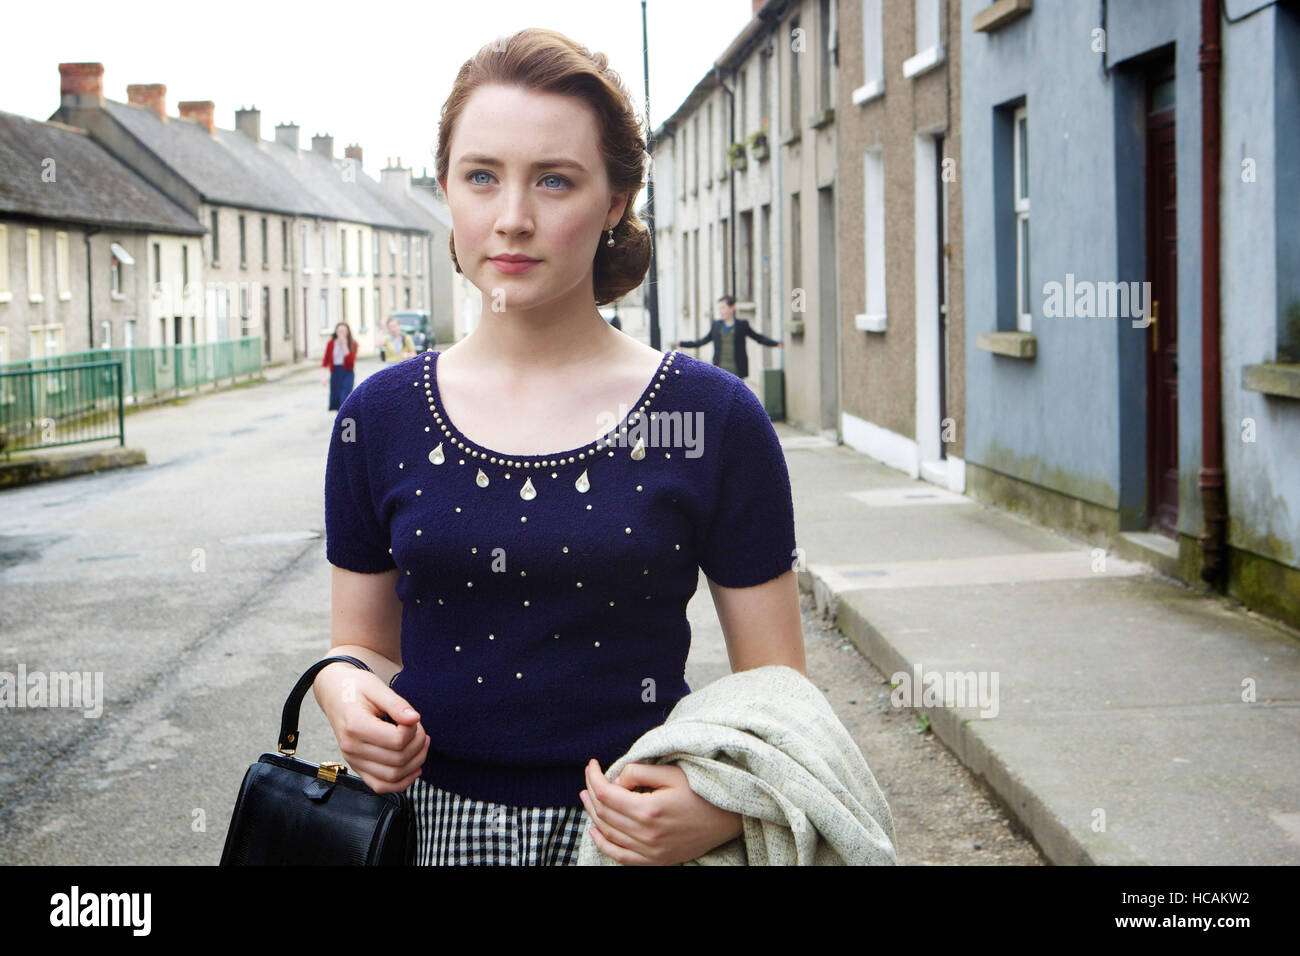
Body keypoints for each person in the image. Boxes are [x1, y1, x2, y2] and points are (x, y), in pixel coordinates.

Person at [318, 27, 803, 866]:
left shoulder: (712, 419)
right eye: (481, 177)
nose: (512, 218)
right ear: (445, 190)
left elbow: (780, 692)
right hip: (426, 839)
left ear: (614, 201)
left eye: (555, 180)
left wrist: (719, 804)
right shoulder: (379, 416)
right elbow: (361, 644)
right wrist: (338, 686)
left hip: (636, 841)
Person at [674, 295, 783, 379]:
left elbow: (758, 338)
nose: (721, 311)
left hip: (737, 368)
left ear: (732, 308)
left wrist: (775, 343)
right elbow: (701, 341)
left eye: (723, 308)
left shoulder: (742, 325)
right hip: (720, 368)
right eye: (719, 308)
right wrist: (682, 343)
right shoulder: (716, 325)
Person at [320, 322, 357, 411]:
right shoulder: (331, 343)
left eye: (344, 331)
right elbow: (325, 361)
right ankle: (340, 419)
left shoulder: (353, 344)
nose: (341, 333)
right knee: (336, 398)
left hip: (347, 373)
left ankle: (345, 417)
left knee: (344, 397)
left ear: (348, 332)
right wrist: (323, 377)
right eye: (339, 331)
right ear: (336, 332)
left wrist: (344, 345)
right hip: (335, 373)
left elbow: (351, 362)